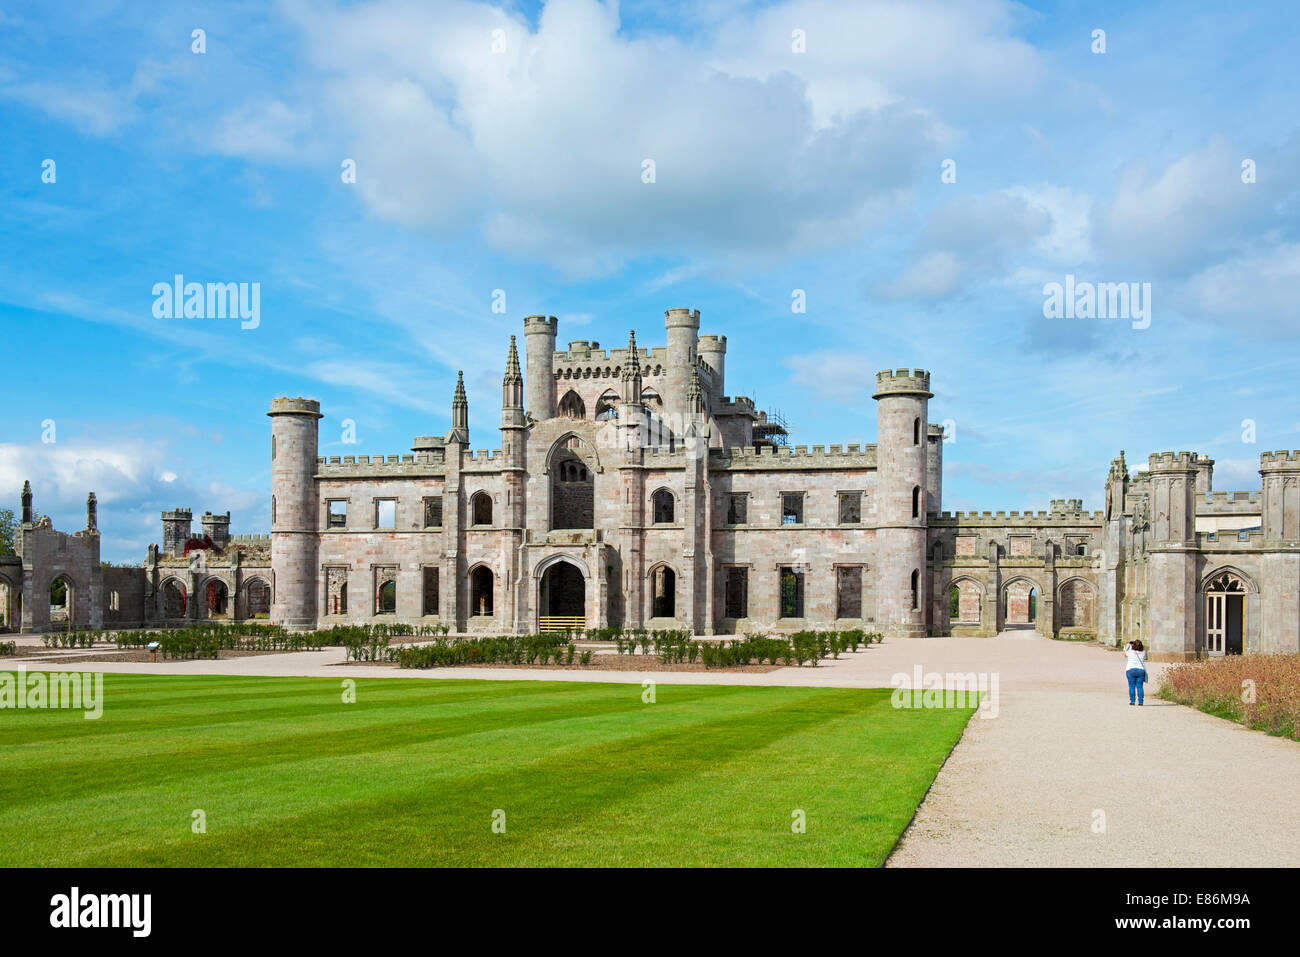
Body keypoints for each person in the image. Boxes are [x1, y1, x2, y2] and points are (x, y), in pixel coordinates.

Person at [1124, 639, 1147, 706]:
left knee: (1131, 686)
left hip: (1130, 670)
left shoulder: (1130, 651)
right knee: (1140, 686)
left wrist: (1128, 646)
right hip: (1141, 670)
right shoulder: (1143, 652)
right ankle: (1140, 702)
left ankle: (1132, 701)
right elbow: (1145, 657)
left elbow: (1125, 654)